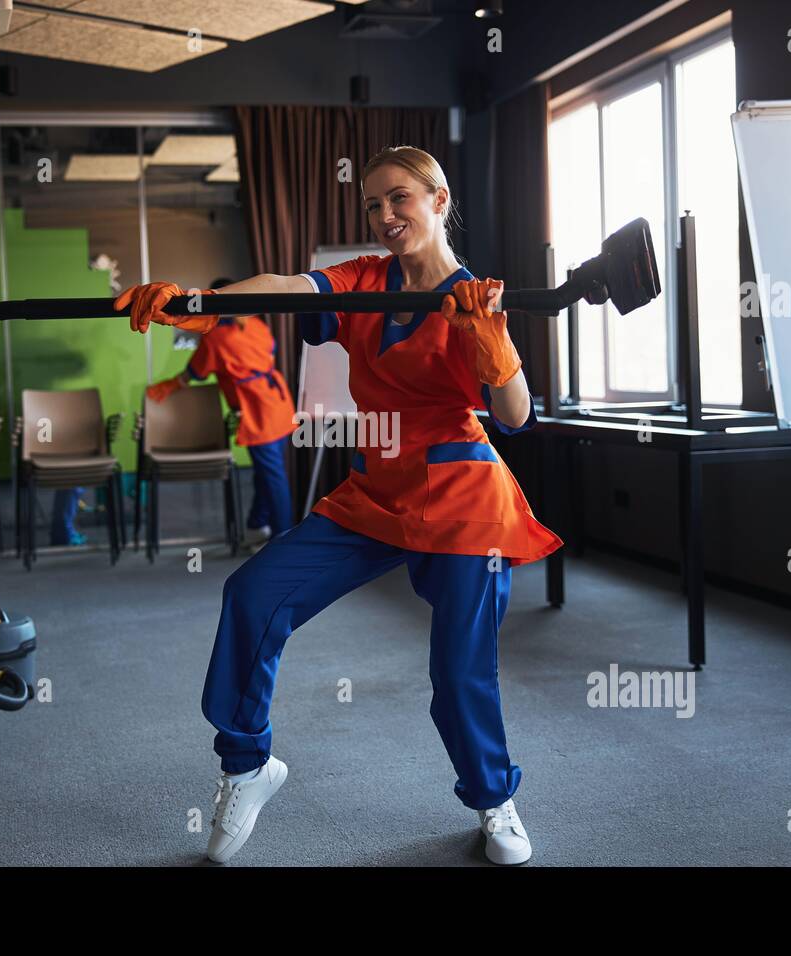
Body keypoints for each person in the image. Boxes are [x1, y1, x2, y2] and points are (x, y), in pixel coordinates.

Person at [116, 146, 561, 866]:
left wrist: (491, 337)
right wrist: (204, 305)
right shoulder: (364, 280)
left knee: (458, 671)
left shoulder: (473, 296)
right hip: (377, 491)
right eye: (373, 204)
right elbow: (288, 285)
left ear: (439, 200)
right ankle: (247, 764)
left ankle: (493, 799)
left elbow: (514, 414)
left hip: (461, 499)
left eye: (400, 200)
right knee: (254, 594)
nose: (385, 215)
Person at [137, 278, 296, 546]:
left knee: (273, 477)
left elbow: (195, 373)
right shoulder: (258, 326)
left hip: (257, 410)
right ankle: (258, 524)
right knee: (267, 473)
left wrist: (172, 385)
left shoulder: (218, 338)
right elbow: (270, 354)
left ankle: (284, 540)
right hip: (279, 402)